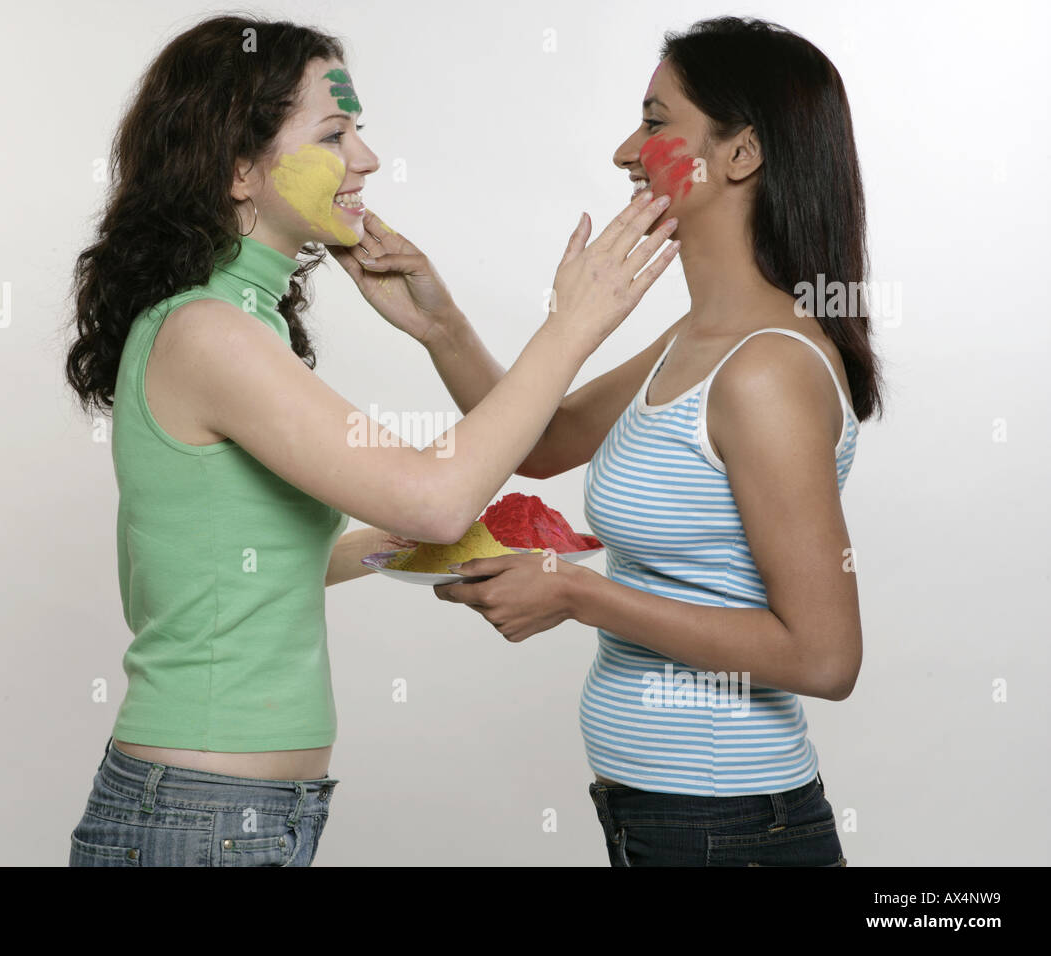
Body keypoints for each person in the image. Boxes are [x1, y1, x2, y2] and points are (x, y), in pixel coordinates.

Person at [62, 14, 681, 866]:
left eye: (360, 130)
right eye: (334, 132)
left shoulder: (239, 319)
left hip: (229, 810)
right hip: (199, 816)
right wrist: (571, 327)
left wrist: (407, 535)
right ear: (240, 169)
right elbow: (435, 494)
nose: (367, 158)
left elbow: (250, 558)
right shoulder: (209, 331)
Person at [347, 16, 881, 866]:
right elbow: (543, 442)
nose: (627, 149)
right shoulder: (695, 337)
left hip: (731, 827)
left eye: (657, 119)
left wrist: (577, 593)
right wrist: (438, 324)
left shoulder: (764, 371)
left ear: (741, 153)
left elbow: (824, 657)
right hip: (666, 818)